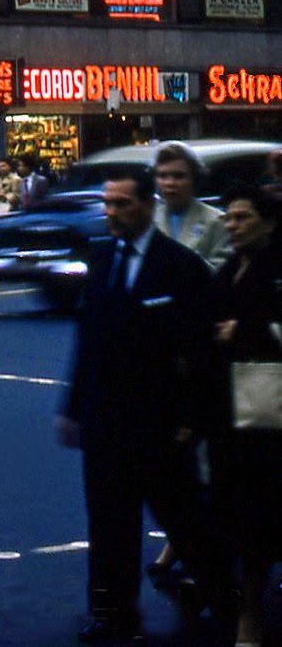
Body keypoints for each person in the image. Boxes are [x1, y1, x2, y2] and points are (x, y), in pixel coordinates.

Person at [55, 168, 227, 644]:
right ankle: (110, 612)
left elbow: (202, 354)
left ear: (146, 206)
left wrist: (193, 421)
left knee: (184, 519)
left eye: (122, 204)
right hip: (106, 421)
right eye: (107, 204)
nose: (111, 213)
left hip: (160, 425)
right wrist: (72, 406)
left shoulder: (179, 266)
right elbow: (88, 340)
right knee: (109, 525)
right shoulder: (102, 257)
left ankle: (227, 601)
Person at [204, 184, 282, 647]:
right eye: (228, 218)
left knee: (264, 514)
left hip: (272, 415)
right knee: (242, 517)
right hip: (234, 414)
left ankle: (250, 615)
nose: (231, 226)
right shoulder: (229, 270)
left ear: (268, 223)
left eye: (242, 217)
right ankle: (247, 610)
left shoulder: (275, 272)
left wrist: (248, 329)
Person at [152, 140, 232, 269]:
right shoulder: (149, 219)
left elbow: (220, 273)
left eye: (179, 176)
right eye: (162, 176)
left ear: (194, 178)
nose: (169, 183)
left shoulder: (217, 221)